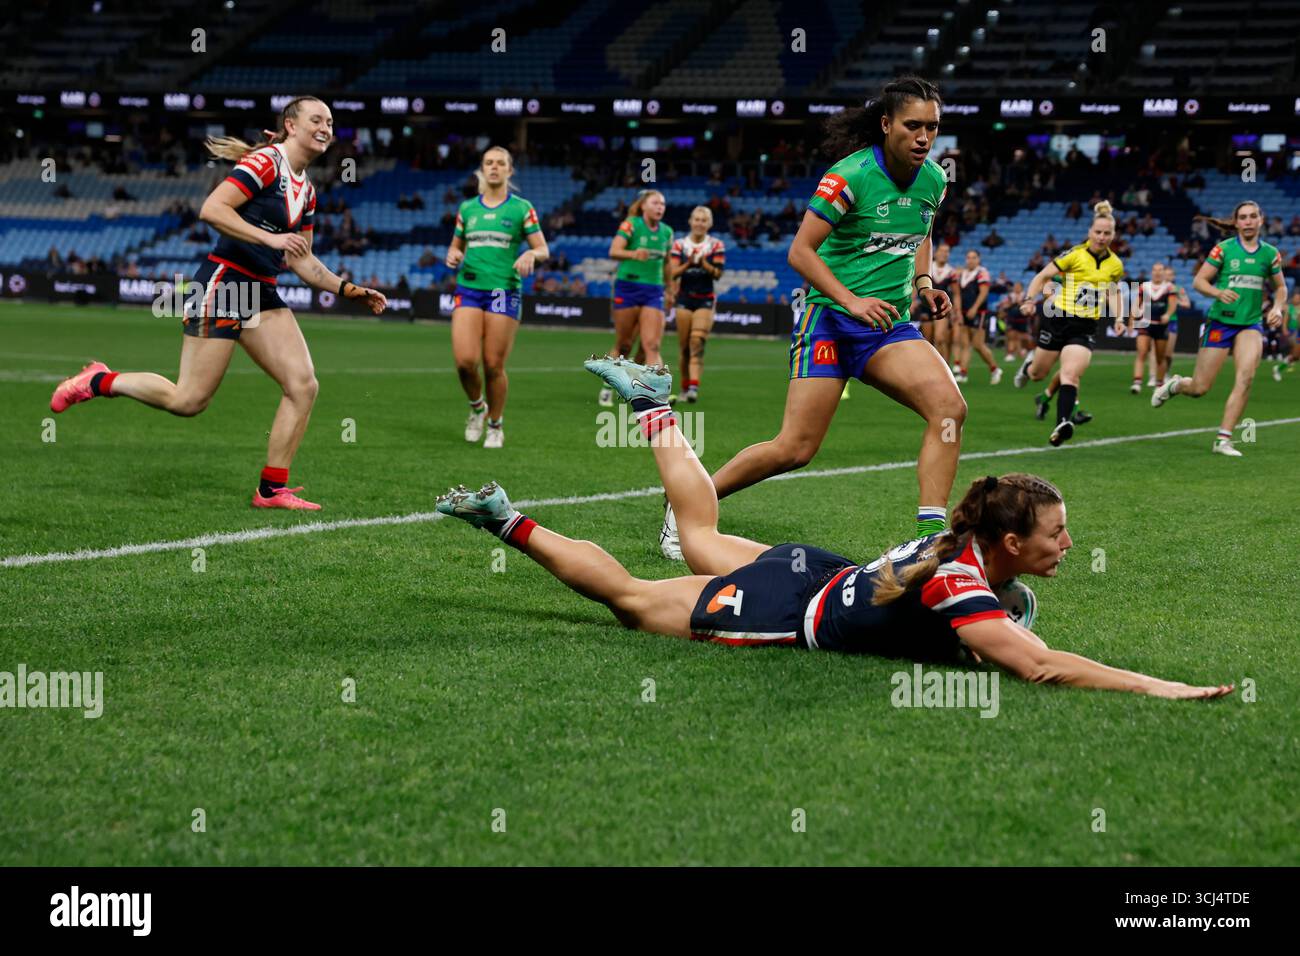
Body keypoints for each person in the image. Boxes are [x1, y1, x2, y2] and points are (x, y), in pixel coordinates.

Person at [437, 356, 1232, 701]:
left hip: (819, 573)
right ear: (1010, 545)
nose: (1068, 544)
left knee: (699, 530)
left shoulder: (964, 552)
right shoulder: (961, 575)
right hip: (796, 608)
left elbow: (981, 612)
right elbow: (1041, 668)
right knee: (635, 600)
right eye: (1056, 534)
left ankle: (651, 407)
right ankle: (504, 518)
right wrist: (1156, 684)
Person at [660, 76, 961, 561]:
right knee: (795, 449)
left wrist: (924, 285)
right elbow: (800, 252)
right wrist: (851, 300)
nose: (924, 137)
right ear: (886, 124)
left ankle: (930, 538)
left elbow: (921, 231)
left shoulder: (934, 180)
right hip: (829, 321)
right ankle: (686, 502)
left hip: (887, 327)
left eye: (932, 126)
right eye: (913, 125)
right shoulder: (849, 176)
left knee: (949, 409)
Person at [49, 96, 386, 510]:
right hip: (225, 285)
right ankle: (99, 380)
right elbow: (212, 209)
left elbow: (303, 259)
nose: (326, 128)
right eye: (317, 119)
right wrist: (270, 238)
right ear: (291, 125)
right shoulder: (265, 163)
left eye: (331, 122)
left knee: (302, 385)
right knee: (188, 401)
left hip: (261, 291)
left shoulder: (309, 191)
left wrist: (348, 290)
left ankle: (271, 489)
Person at [1152, 202, 1287, 456]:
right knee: (1200, 388)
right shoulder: (1223, 250)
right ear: (1236, 222)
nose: (1248, 221)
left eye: (1253, 217)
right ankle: (1177, 385)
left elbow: (1280, 287)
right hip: (1220, 322)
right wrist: (1218, 291)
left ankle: (1223, 439)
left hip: (1251, 324)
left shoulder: (1270, 254)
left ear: (1261, 220)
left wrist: (1278, 307)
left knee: (1246, 378)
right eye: (1243, 217)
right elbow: (1199, 282)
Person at [445, 146, 549, 449]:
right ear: (482, 169)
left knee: (493, 364)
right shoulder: (467, 209)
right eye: (488, 162)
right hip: (470, 288)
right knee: (465, 362)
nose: (494, 167)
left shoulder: (521, 208)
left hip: (503, 290)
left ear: (509, 170)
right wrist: (453, 254)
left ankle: (495, 423)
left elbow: (543, 248)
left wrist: (531, 253)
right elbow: (456, 247)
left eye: (500, 163)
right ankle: (477, 408)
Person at [1014, 201, 1126, 446]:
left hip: (1085, 327)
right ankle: (1028, 365)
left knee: (1070, 375)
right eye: (1098, 232)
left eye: (1107, 233)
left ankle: (1062, 424)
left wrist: (1119, 316)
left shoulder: (1115, 264)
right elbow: (1043, 276)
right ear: (1090, 232)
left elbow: (1113, 292)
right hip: (1057, 319)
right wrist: (1029, 300)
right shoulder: (1074, 255)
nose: (1102, 237)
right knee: (1037, 375)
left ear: (1113, 235)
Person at [598, 189, 674, 408]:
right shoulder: (630, 224)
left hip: (653, 290)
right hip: (628, 287)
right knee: (624, 344)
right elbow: (614, 250)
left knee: (651, 345)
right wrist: (633, 254)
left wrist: (670, 289)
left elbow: (667, 262)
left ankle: (657, 396)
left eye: (662, 203)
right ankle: (608, 386)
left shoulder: (667, 232)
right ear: (643, 206)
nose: (660, 207)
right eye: (655, 203)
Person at [668, 206, 726, 404]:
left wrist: (703, 263)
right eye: (697, 219)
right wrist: (689, 264)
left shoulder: (716, 245)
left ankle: (693, 387)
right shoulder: (679, 245)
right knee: (684, 347)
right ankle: (685, 387)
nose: (700, 223)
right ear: (690, 221)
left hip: (705, 298)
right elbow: (673, 273)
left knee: (697, 341)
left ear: (709, 224)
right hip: (684, 299)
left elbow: (718, 273)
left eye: (704, 220)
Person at [953, 249, 1001, 384]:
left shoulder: (982, 273)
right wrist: (958, 312)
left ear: (978, 259)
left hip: (979, 313)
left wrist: (974, 308)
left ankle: (994, 369)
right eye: (968, 257)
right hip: (963, 312)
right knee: (965, 344)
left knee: (978, 345)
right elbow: (957, 294)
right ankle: (963, 373)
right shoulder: (961, 274)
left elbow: (983, 293)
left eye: (973, 257)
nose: (970, 260)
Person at [1131, 263, 1177, 393]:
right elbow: (1136, 303)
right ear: (1151, 272)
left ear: (1163, 272)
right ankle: (1137, 382)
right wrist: (1131, 320)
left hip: (1161, 325)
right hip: (1145, 323)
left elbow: (1173, 305)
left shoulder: (1169, 287)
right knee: (1142, 352)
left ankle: (1159, 384)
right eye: (1155, 270)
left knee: (1160, 357)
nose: (1157, 272)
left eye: (1160, 270)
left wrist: (1168, 314)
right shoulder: (1144, 286)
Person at [918, 241, 959, 367]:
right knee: (927, 340)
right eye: (942, 251)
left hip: (941, 308)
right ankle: (929, 367)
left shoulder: (951, 272)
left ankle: (944, 367)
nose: (944, 254)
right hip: (926, 306)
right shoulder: (927, 267)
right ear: (936, 252)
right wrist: (913, 300)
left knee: (940, 338)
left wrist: (956, 310)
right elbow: (916, 284)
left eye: (947, 251)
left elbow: (956, 293)